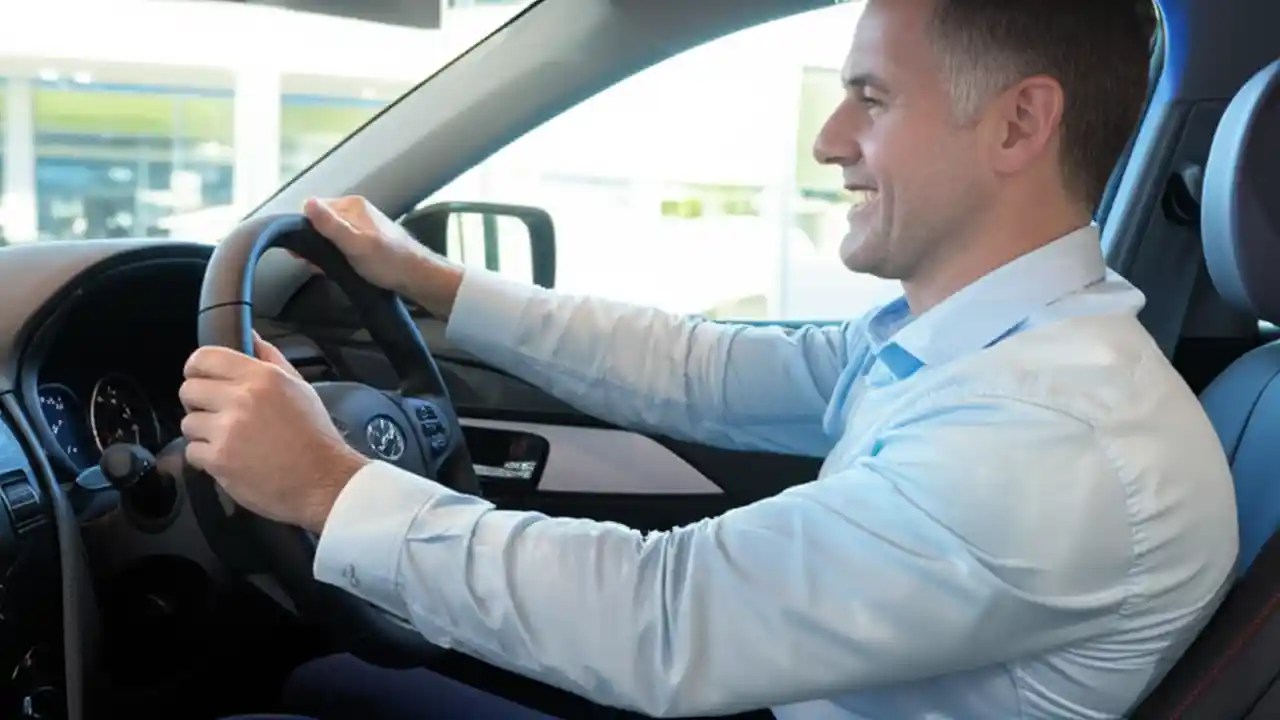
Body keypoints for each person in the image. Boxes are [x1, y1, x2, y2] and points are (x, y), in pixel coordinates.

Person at [189, 0, 1238, 717]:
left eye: (870, 98)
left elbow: (664, 618)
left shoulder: (1050, 439)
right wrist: (434, 282)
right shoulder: (994, 348)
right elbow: (700, 369)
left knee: (310, 696)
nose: (829, 139)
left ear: (1017, 123)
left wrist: (327, 487)